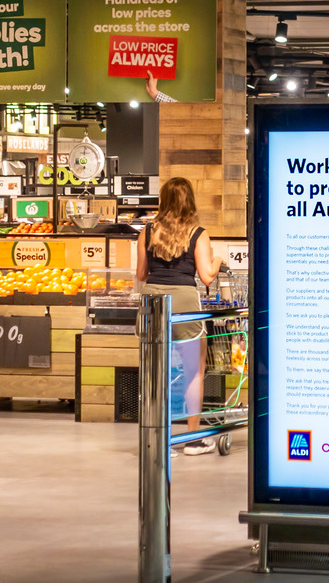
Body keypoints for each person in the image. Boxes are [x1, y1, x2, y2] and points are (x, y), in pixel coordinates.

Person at [135, 177, 220, 455]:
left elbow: (140, 274)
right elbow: (207, 277)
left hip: (153, 300)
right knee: (193, 372)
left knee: (155, 371)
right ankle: (193, 440)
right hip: (184, 300)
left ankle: (158, 441)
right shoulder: (198, 233)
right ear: (190, 201)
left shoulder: (147, 231)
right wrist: (218, 261)